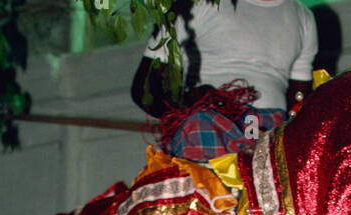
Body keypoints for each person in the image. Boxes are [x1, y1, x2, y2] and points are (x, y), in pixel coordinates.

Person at [131, 0, 317, 162]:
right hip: (206, 123)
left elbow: (301, 103)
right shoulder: (192, 3)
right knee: (215, 196)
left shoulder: (303, 17)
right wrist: (190, 102)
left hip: (265, 127)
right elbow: (145, 90)